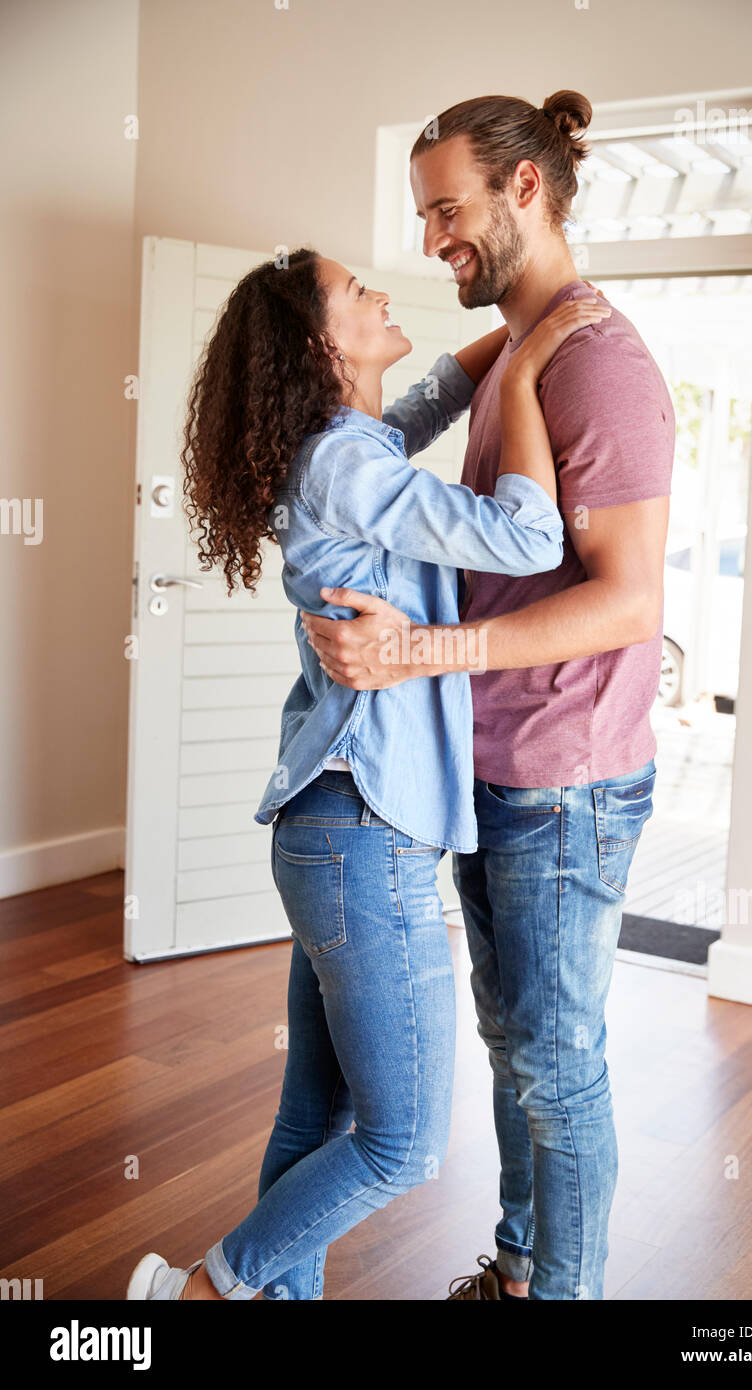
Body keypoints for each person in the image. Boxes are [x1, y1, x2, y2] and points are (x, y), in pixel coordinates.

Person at [125, 248, 609, 1300]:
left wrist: (526, 327)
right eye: (357, 293)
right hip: (363, 839)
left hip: (330, 834)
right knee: (400, 1144)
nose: (383, 295)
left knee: (316, 1118)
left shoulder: (344, 448)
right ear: (319, 344)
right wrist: (527, 376)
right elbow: (526, 537)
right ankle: (206, 1292)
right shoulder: (347, 467)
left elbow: (434, 392)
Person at [300, 91, 675, 1301]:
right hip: (493, 768)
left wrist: (418, 654)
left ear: (524, 188)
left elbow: (626, 604)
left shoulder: (600, 367)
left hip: (566, 782)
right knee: (518, 1051)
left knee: (554, 1064)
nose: (429, 242)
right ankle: (518, 1269)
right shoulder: (526, 354)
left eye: (447, 210)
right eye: (421, 216)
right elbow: (427, 422)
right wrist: (514, 345)